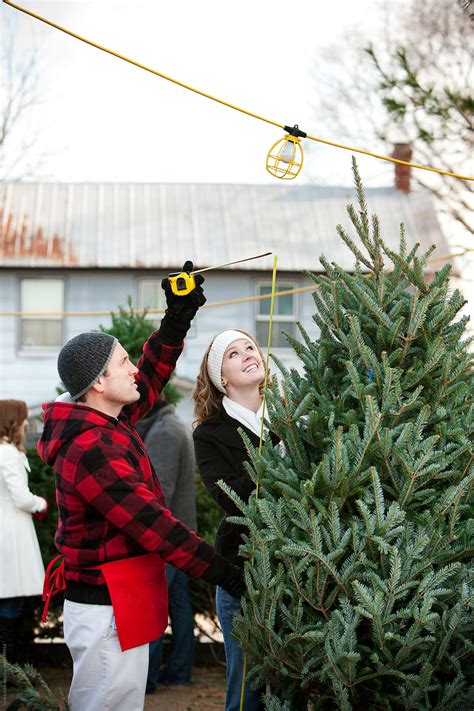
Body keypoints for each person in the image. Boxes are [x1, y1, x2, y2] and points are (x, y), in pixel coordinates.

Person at [37, 264, 244, 711]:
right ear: (97, 383)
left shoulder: (107, 420)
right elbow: (154, 525)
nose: (133, 368)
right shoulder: (90, 447)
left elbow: (150, 375)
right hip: (104, 607)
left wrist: (177, 318)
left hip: (120, 599)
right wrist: (226, 573)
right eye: (122, 363)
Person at [192, 329, 270, 711]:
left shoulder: (292, 414)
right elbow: (228, 494)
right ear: (221, 377)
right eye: (233, 353)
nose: (246, 354)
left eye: (250, 347)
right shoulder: (209, 434)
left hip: (303, 569)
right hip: (243, 572)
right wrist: (274, 462)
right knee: (247, 688)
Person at [136, 392, 197, 692]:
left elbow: (159, 494)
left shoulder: (164, 432)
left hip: (167, 539)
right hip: (180, 534)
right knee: (178, 604)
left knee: (156, 608)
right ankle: (179, 672)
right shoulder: (170, 424)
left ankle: (146, 679)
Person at [0, 399, 48, 661]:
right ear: (12, 421)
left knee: (7, 599)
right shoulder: (8, 453)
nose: (27, 422)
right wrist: (41, 503)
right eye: (22, 417)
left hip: (6, 529)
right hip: (12, 533)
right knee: (10, 602)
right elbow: (21, 497)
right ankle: (8, 668)